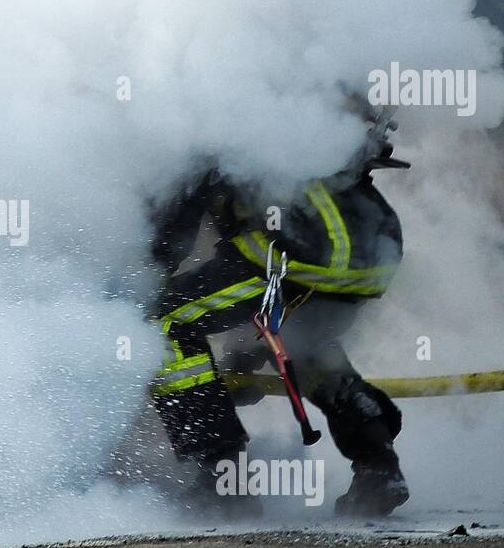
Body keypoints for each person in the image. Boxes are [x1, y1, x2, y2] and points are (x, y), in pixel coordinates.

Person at [149, 122, 410, 517]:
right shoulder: (294, 110)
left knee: (162, 323)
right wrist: (245, 361)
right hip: (370, 262)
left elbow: (168, 241)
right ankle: (379, 468)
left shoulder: (197, 130)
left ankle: (224, 481)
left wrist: (134, 294)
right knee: (300, 341)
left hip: (295, 257)